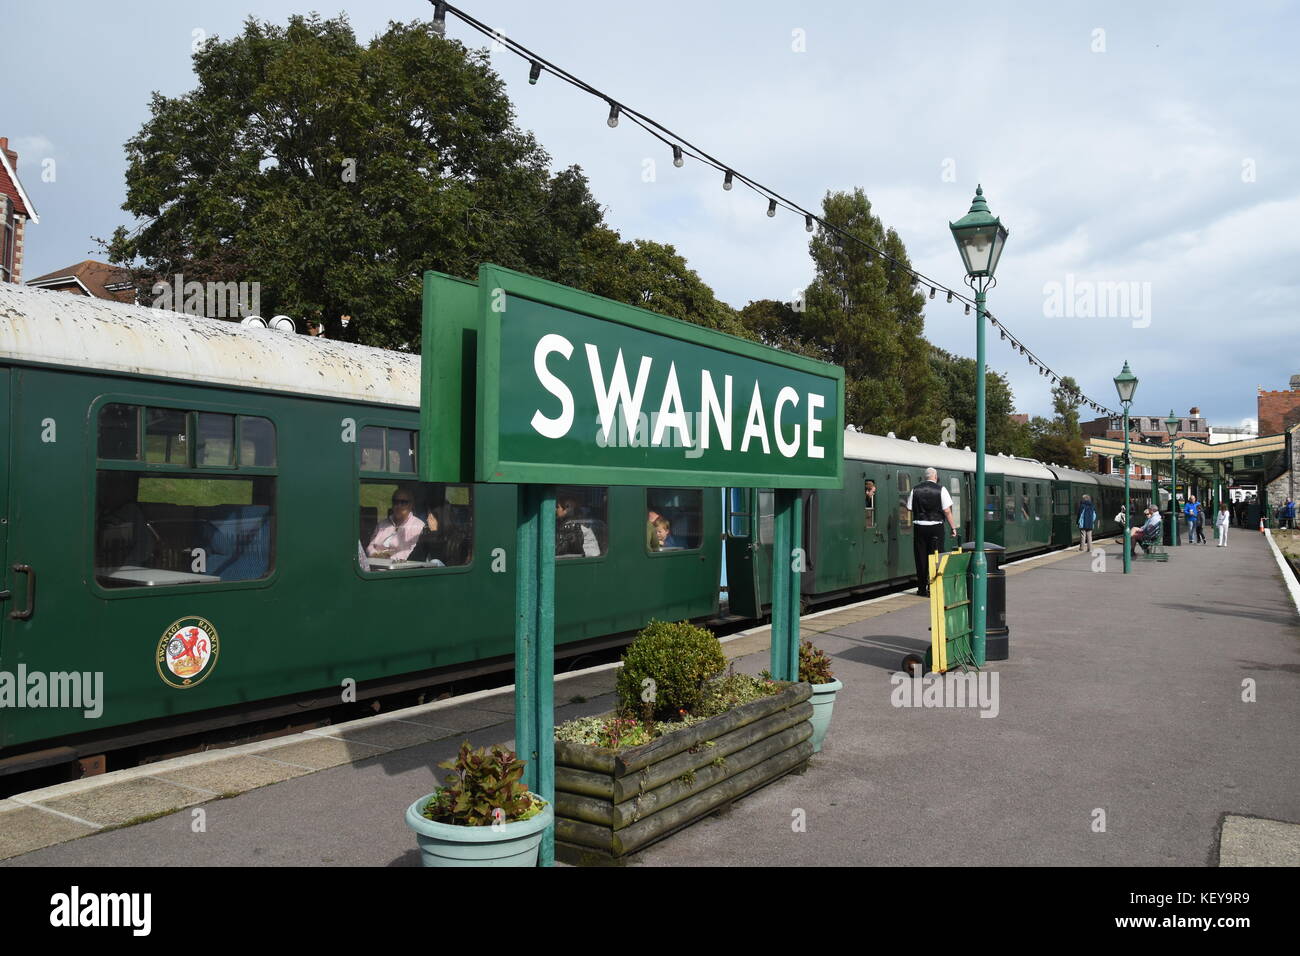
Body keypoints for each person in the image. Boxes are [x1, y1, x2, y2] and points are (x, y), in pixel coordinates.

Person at [905, 467, 958, 598]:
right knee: (936, 556)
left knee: (920, 557)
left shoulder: (915, 490)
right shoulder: (942, 490)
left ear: (925, 477)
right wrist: (953, 527)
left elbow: (909, 507)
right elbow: (947, 511)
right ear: (935, 476)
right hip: (936, 527)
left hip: (920, 527)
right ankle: (933, 587)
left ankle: (921, 588)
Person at [366, 487, 424, 559]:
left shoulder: (418, 526)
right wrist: (374, 554)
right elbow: (371, 545)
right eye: (396, 502)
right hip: (375, 563)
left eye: (403, 502)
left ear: (411, 505)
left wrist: (389, 559)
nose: (399, 506)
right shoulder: (382, 524)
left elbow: (411, 551)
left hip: (400, 567)